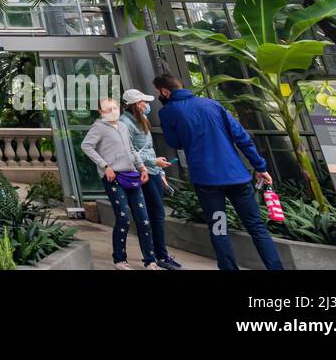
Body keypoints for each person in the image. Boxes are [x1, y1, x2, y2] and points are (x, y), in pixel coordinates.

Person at [153, 73, 284, 271]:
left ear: (165, 91)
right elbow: (241, 137)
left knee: (219, 229)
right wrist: (260, 167)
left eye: (158, 93)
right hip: (236, 176)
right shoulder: (212, 104)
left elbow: (174, 142)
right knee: (256, 227)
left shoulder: (168, 112)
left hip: (207, 181)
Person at [81, 96, 160, 270]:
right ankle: (119, 259)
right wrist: (105, 166)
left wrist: (142, 168)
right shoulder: (98, 127)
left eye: (115, 108)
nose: (112, 112)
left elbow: (131, 149)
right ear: (101, 112)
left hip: (132, 175)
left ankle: (150, 260)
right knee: (123, 217)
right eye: (107, 109)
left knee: (144, 219)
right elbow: (86, 146)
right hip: (113, 178)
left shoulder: (123, 126)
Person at [120, 89, 183, 270]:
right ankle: (156, 256)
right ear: (134, 104)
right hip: (141, 173)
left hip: (152, 171)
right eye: (142, 102)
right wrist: (151, 162)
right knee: (151, 215)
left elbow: (146, 148)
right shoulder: (125, 123)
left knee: (157, 213)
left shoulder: (141, 120)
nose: (146, 105)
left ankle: (159, 255)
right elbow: (128, 151)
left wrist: (158, 168)